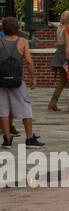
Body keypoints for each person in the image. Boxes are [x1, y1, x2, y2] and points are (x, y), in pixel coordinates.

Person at [0, 16, 40, 147]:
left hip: (1, 81)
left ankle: (7, 138)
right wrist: (33, 78)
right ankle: (29, 138)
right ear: (17, 28)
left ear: (3, 29)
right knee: (26, 108)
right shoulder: (22, 41)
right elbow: (28, 61)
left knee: (3, 110)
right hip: (17, 81)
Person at [48, 9, 69, 112]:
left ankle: (53, 103)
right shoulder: (67, 29)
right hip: (64, 55)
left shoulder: (59, 27)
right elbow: (67, 45)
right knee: (65, 81)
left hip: (58, 54)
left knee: (63, 80)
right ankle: (53, 102)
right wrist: (68, 59)